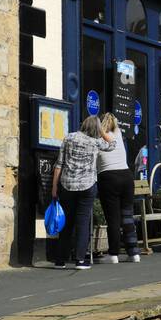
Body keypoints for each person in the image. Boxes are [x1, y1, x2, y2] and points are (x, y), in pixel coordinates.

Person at [51, 114, 105, 269]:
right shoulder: (96, 142)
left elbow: (59, 164)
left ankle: (60, 260)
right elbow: (112, 144)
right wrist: (101, 131)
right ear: (96, 128)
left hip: (67, 185)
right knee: (83, 223)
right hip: (87, 186)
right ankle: (80, 260)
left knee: (66, 223)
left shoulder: (69, 138)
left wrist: (54, 187)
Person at [94, 113, 140, 265]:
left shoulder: (97, 138)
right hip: (126, 176)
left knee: (112, 218)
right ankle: (134, 253)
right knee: (127, 216)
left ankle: (113, 254)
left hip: (108, 177)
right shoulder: (118, 134)